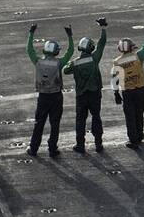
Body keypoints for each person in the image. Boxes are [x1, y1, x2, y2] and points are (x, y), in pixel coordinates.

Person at [26, 24, 73, 158]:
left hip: (43, 97)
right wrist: (69, 35)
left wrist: (31, 33)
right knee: (55, 124)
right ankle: (52, 149)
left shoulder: (38, 62)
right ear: (56, 52)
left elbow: (29, 50)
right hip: (56, 97)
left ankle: (33, 148)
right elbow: (70, 51)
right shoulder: (59, 63)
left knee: (39, 123)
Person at [110, 18, 144, 149]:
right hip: (140, 90)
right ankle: (140, 135)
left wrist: (116, 94)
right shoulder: (138, 56)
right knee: (139, 114)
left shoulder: (117, 62)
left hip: (128, 92)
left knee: (130, 116)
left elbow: (114, 79)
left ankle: (133, 139)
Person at [64, 18, 108, 154]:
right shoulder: (94, 58)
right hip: (94, 93)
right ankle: (98, 144)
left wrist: (70, 62)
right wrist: (103, 28)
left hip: (81, 95)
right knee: (96, 117)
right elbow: (102, 44)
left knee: (80, 120)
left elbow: (65, 70)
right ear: (90, 48)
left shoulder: (75, 63)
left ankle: (80, 145)